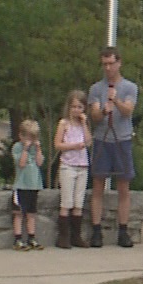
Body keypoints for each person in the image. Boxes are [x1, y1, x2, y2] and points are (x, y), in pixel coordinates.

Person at [87, 46, 139, 248]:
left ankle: (123, 230)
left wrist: (115, 100)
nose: (108, 68)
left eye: (111, 63)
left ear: (119, 63)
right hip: (102, 139)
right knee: (98, 185)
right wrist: (103, 109)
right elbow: (94, 116)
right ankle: (96, 230)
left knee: (123, 187)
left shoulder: (129, 87)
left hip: (122, 139)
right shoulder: (95, 89)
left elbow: (128, 111)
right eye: (105, 64)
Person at [51, 91, 90, 248]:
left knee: (78, 203)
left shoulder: (82, 125)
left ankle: (76, 236)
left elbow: (88, 141)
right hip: (68, 165)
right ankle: (63, 237)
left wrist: (85, 124)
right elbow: (58, 144)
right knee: (67, 201)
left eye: (79, 107)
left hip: (82, 166)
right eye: (73, 107)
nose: (76, 110)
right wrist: (73, 146)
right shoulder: (64, 123)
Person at [11, 119, 45, 251]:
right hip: (21, 185)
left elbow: (40, 162)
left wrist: (38, 149)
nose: (31, 141)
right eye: (29, 138)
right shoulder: (18, 147)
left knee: (31, 213)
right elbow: (21, 163)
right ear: (22, 136)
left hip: (34, 185)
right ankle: (18, 238)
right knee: (19, 213)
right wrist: (25, 149)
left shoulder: (35, 149)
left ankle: (32, 237)